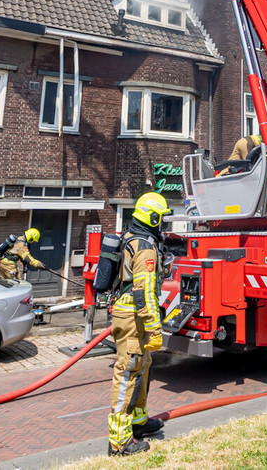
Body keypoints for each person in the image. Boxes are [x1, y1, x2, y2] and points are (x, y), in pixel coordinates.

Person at [108, 192, 169, 456]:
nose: (162, 223)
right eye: (161, 218)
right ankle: (119, 441)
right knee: (128, 373)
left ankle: (138, 422)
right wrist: (155, 327)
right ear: (152, 218)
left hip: (133, 315)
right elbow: (144, 293)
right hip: (134, 318)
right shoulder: (144, 247)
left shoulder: (132, 238)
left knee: (142, 368)